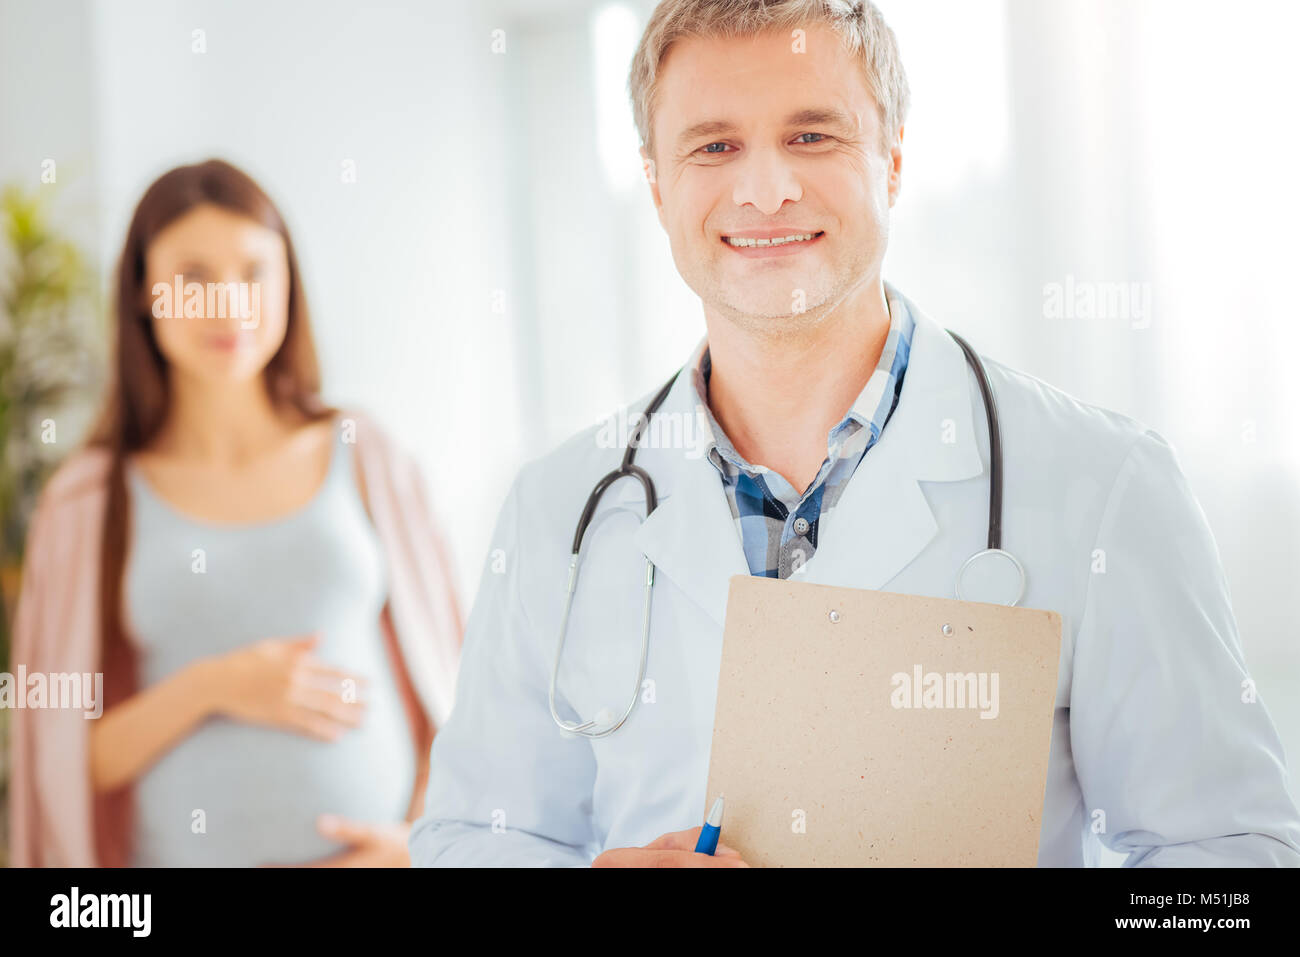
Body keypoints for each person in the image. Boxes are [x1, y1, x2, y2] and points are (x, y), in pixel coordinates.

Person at [409, 0, 1300, 867]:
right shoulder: (556, 509)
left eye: (812, 135)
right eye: (714, 145)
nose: (766, 188)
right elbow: (473, 837)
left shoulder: (1106, 486)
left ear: (894, 162)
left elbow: (1229, 864)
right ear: (655, 184)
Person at [9, 159, 463, 867]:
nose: (228, 304)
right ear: (141, 296)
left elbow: (458, 689)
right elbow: (62, 757)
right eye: (192, 277)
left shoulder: (367, 453)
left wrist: (420, 844)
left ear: (289, 284)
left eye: (254, 272)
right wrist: (213, 685)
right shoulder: (88, 500)